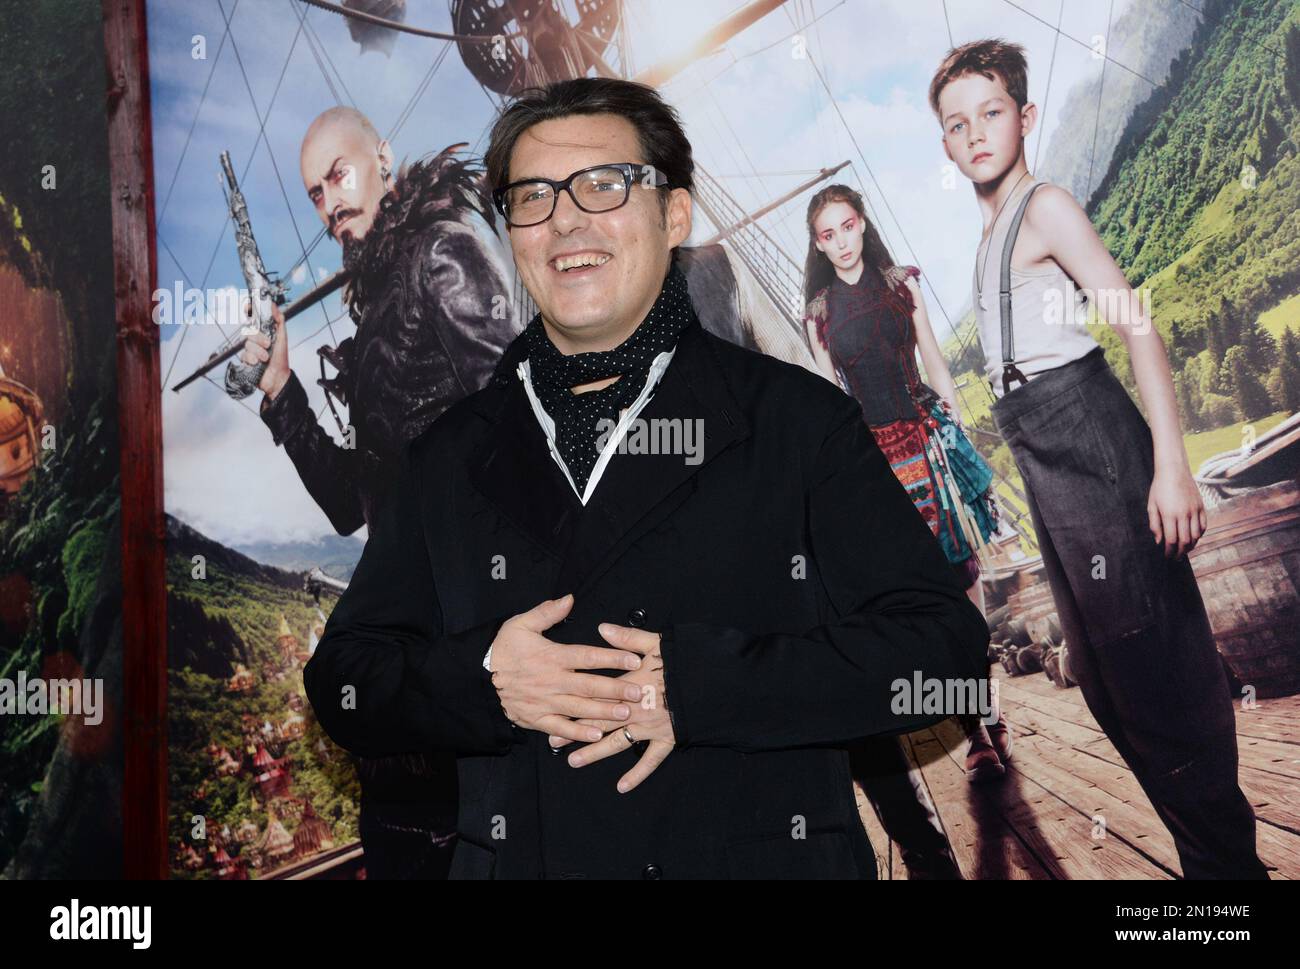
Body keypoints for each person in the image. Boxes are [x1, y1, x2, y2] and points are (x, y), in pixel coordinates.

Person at [303, 76, 990, 879]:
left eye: (604, 185)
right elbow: (346, 682)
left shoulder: (792, 420)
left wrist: (705, 688)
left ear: (674, 215)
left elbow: (943, 658)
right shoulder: (448, 458)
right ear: (512, 232)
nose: (566, 220)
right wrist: (486, 676)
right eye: (533, 195)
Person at [930, 38, 1268, 878]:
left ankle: (1228, 877)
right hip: (1047, 466)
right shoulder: (984, 242)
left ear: (1027, 117)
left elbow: (1137, 325)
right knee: (1111, 685)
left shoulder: (1048, 208)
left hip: (1093, 437)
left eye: (992, 112)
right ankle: (1212, 870)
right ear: (944, 141)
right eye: (956, 122)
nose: (976, 133)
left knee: (1159, 669)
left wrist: (1172, 464)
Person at [240, 106, 521, 879]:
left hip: (474, 641)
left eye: (339, 174)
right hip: (420, 653)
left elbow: (523, 438)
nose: (329, 201)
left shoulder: (442, 254)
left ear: (384, 158)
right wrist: (280, 391)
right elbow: (347, 505)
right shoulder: (378, 303)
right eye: (313, 193)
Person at [803, 184, 1009, 789]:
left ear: (862, 224)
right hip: (877, 468)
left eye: (847, 226)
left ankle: (992, 715)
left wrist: (955, 427)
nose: (841, 242)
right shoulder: (819, 315)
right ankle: (975, 732)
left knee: (965, 585)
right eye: (827, 233)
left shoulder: (901, 284)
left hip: (926, 443)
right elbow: (830, 400)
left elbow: (936, 363)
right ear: (817, 243)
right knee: (923, 600)